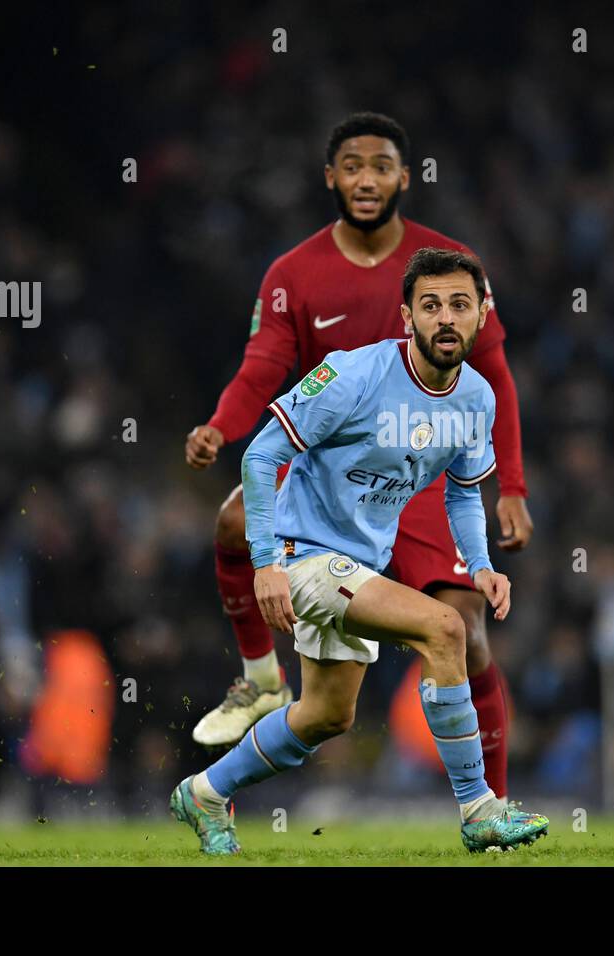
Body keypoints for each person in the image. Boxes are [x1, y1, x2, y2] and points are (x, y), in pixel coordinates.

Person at [186, 112, 531, 800]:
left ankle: (493, 805)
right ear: (331, 178)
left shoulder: (451, 269)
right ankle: (259, 681)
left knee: (467, 634)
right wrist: (223, 427)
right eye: (352, 166)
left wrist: (511, 488)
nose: (366, 179)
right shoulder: (294, 273)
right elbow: (264, 366)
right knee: (231, 522)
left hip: (423, 475)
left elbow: (495, 373)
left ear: (405, 177)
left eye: (381, 166)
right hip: (329, 463)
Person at [171, 249, 548, 854]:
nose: (445, 318)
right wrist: (266, 564)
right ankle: (480, 809)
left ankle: (206, 792)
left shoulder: (476, 398)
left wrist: (481, 566)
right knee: (445, 629)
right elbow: (261, 455)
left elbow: (462, 495)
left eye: (459, 305)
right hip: (301, 555)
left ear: (481, 316)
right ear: (406, 316)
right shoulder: (352, 375)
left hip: (355, 566)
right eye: (430, 306)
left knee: (326, 716)